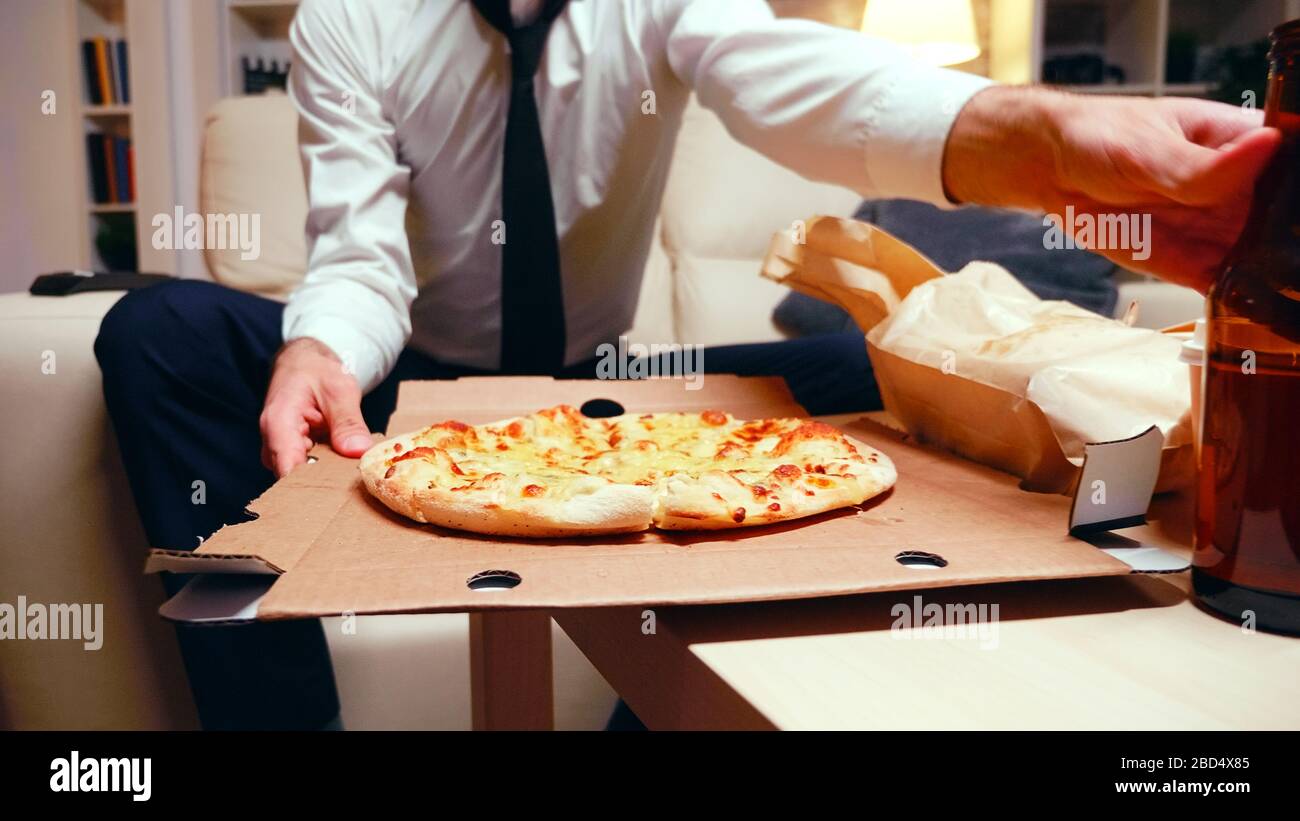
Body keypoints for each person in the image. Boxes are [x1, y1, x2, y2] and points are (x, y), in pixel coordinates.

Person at [95, 0, 1280, 730]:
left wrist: (1035, 134)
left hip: (610, 390)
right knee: (160, 332)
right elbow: (358, 252)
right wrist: (317, 342)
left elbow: (796, 82)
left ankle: (665, 718)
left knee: (835, 364)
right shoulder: (347, 18)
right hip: (417, 387)